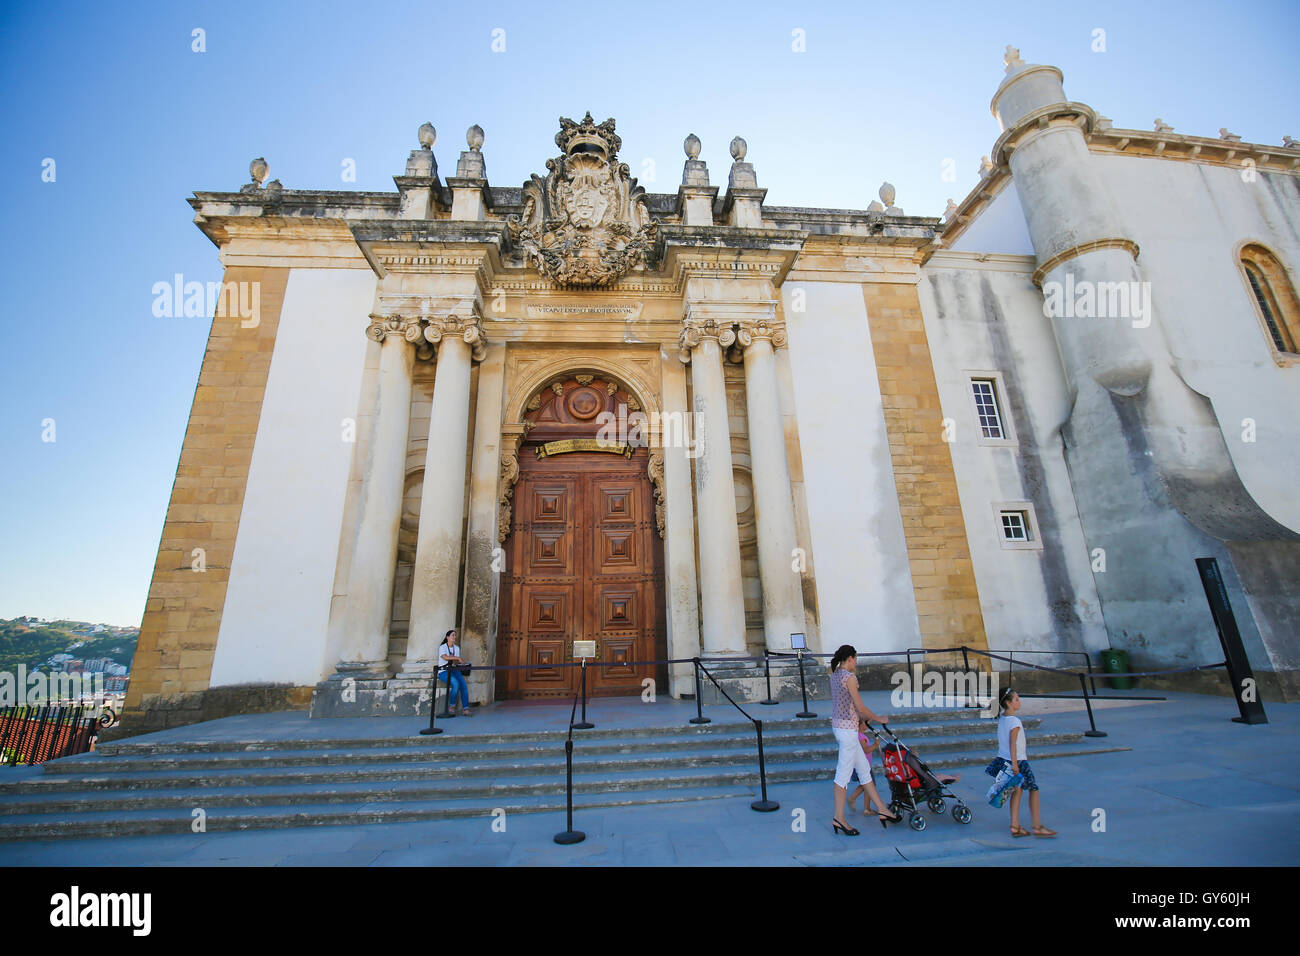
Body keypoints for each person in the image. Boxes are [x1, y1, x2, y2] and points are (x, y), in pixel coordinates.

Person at [829, 644, 901, 835]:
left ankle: (883, 810)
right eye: (855, 659)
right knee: (842, 776)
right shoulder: (850, 678)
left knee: (864, 771)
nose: (856, 663)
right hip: (848, 732)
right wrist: (878, 718)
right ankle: (839, 818)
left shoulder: (834, 674)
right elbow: (859, 707)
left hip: (839, 726)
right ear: (850, 658)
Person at [986, 687, 1055, 837]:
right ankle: (1037, 826)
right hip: (1017, 760)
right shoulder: (1015, 721)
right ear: (1008, 703)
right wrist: (1016, 764)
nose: (1019, 702)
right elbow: (1013, 743)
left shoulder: (1003, 718)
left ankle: (1015, 825)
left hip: (1003, 760)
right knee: (1034, 789)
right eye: (1016, 699)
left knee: (1017, 791)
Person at [438, 629, 472, 717]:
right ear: (447, 637)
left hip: (454, 669)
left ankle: (466, 708)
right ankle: (452, 706)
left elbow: (455, 662)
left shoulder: (456, 648)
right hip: (444, 671)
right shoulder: (443, 647)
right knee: (455, 684)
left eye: (455, 635)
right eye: (452, 635)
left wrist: (459, 662)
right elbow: (444, 657)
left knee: (463, 685)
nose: (454, 637)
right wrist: (457, 658)